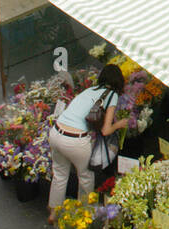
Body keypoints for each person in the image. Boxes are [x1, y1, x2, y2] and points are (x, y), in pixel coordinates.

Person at [47, 63, 130, 218]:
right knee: (85, 177)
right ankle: (83, 214)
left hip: (56, 133)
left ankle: (53, 212)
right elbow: (106, 130)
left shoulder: (89, 90)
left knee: (59, 174)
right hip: (75, 141)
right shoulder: (112, 95)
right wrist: (120, 123)